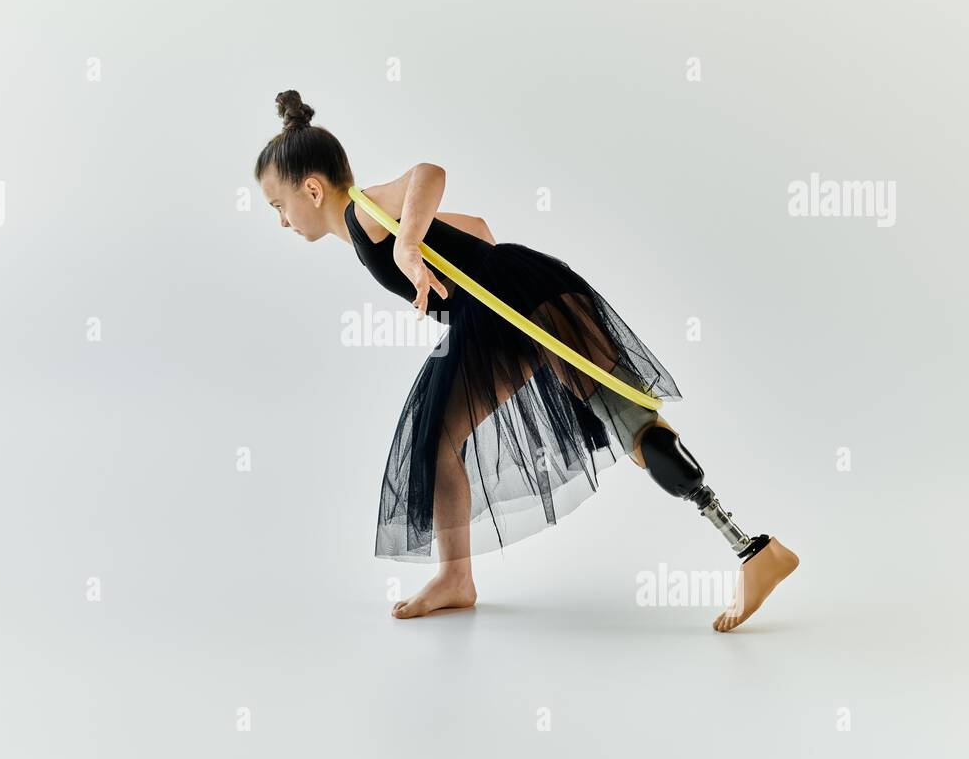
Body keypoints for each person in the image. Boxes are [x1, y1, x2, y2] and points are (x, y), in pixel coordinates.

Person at [253, 90, 798, 631]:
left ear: (313, 188)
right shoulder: (365, 224)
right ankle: (751, 550)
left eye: (279, 206)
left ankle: (456, 578)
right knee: (628, 424)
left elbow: (428, 172)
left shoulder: (365, 213)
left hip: (514, 305)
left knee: (440, 438)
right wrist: (452, 269)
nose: (281, 220)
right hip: (524, 294)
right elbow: (481, 232)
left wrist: (409, 245)